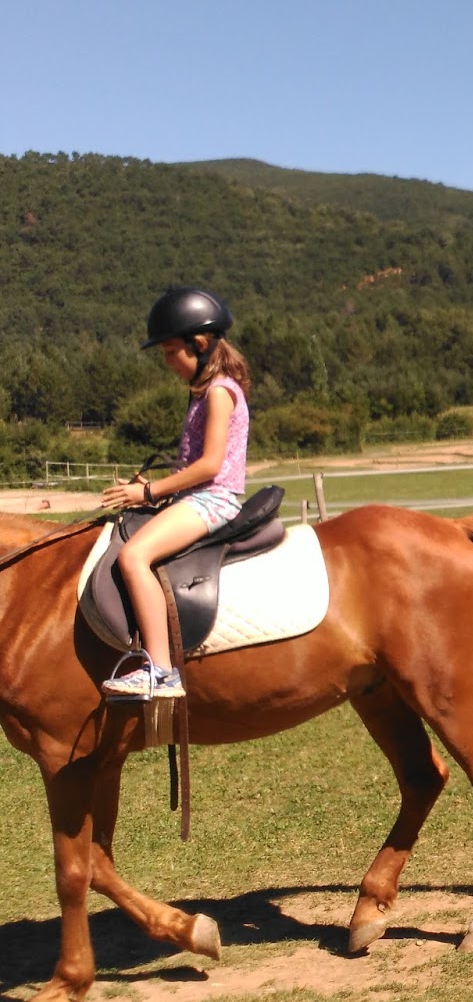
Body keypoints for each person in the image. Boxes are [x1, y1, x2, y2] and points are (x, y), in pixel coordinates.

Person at [100, 286, 252, 699]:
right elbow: (191, 462)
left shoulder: (219, 392)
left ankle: (161, 672)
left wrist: (149, 492)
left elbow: (210, 465)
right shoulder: (204, 391)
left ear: (198, 345)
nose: (168, 362)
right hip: (196, 495)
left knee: (134, 557)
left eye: (171, 352)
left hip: (213, 499)